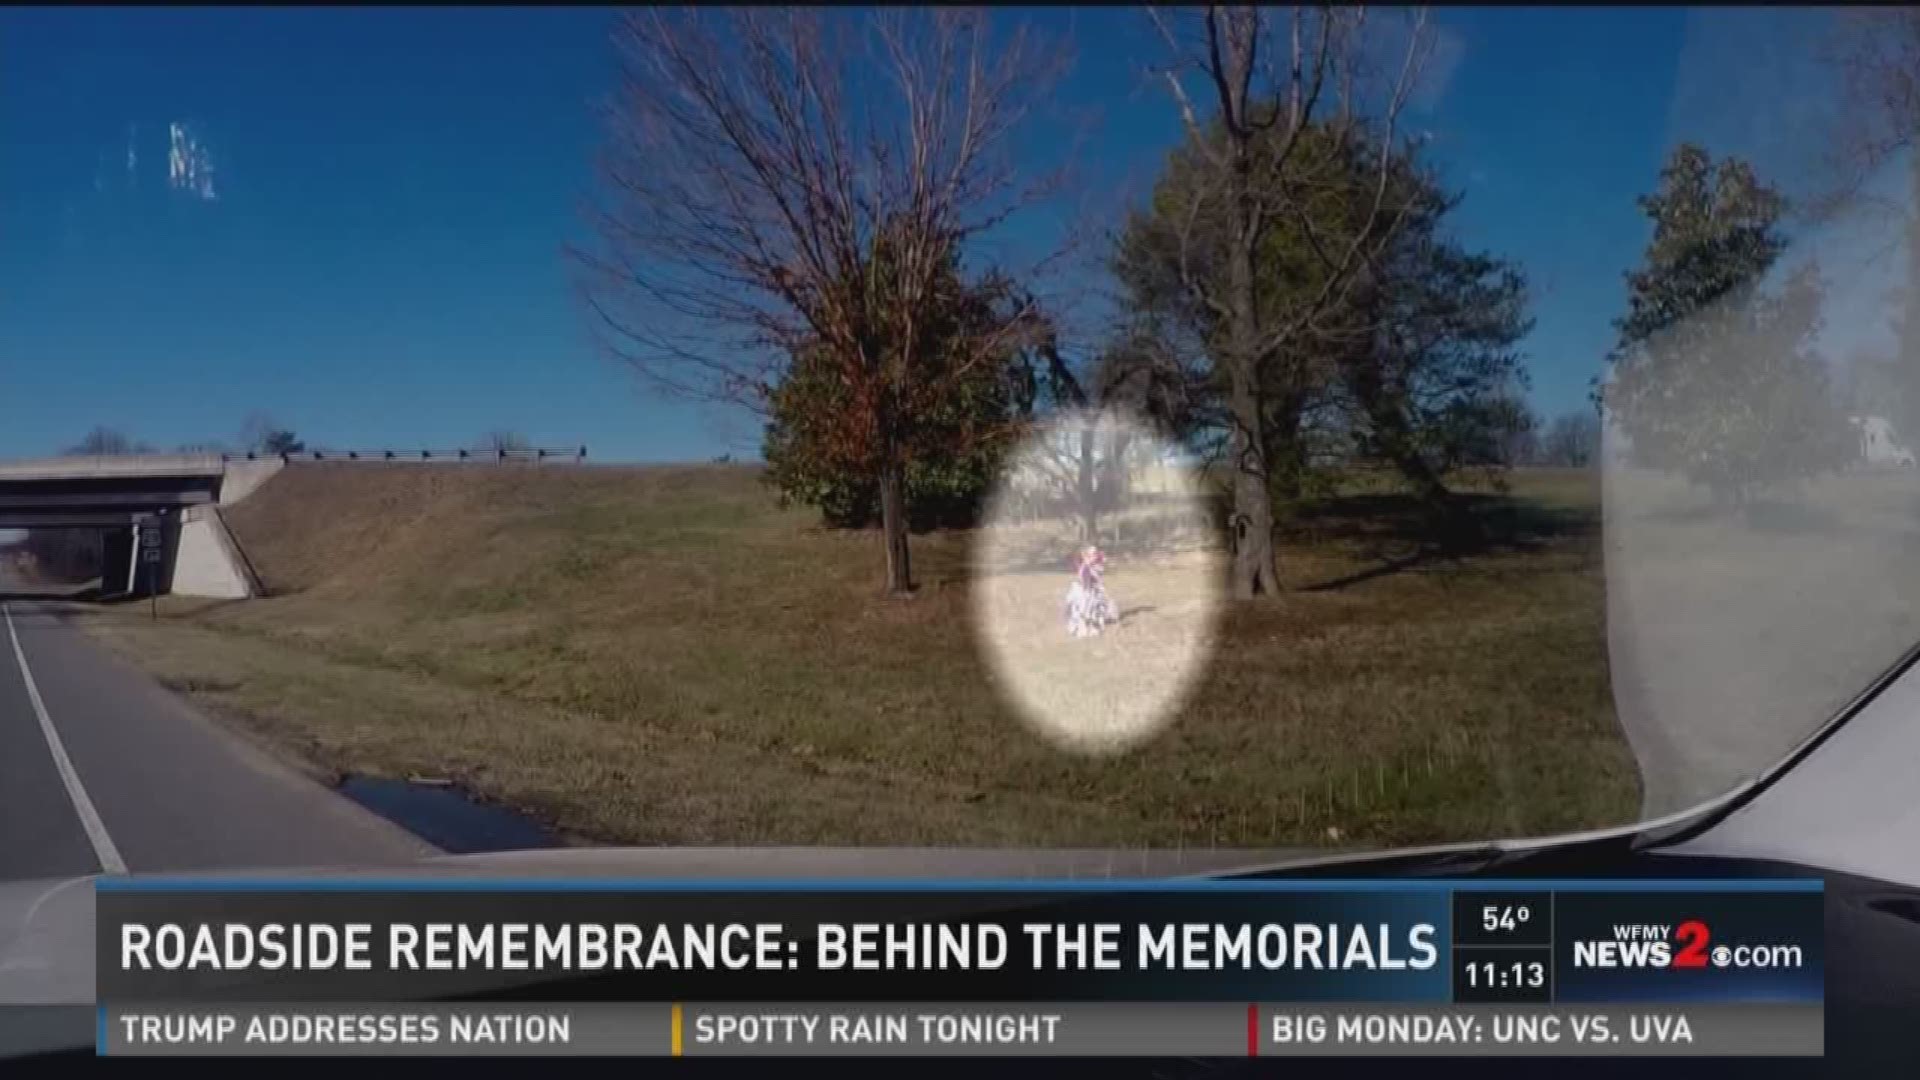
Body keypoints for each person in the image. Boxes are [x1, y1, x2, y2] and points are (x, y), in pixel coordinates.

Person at [1064, 544, 1117, 639]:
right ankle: (1080, 629)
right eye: (1093, 554)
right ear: (1086, 556)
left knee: (1094, 609)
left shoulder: (1096, 563)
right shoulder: (1084, 568)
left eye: (1096, 553)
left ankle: (1093, 626)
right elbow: (1084, 581)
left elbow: (1101, 561)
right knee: (1083, 609)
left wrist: (1099, 584)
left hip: (1092, 589)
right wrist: (1090, 589)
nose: (1096, 555)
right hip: (1083, 590)